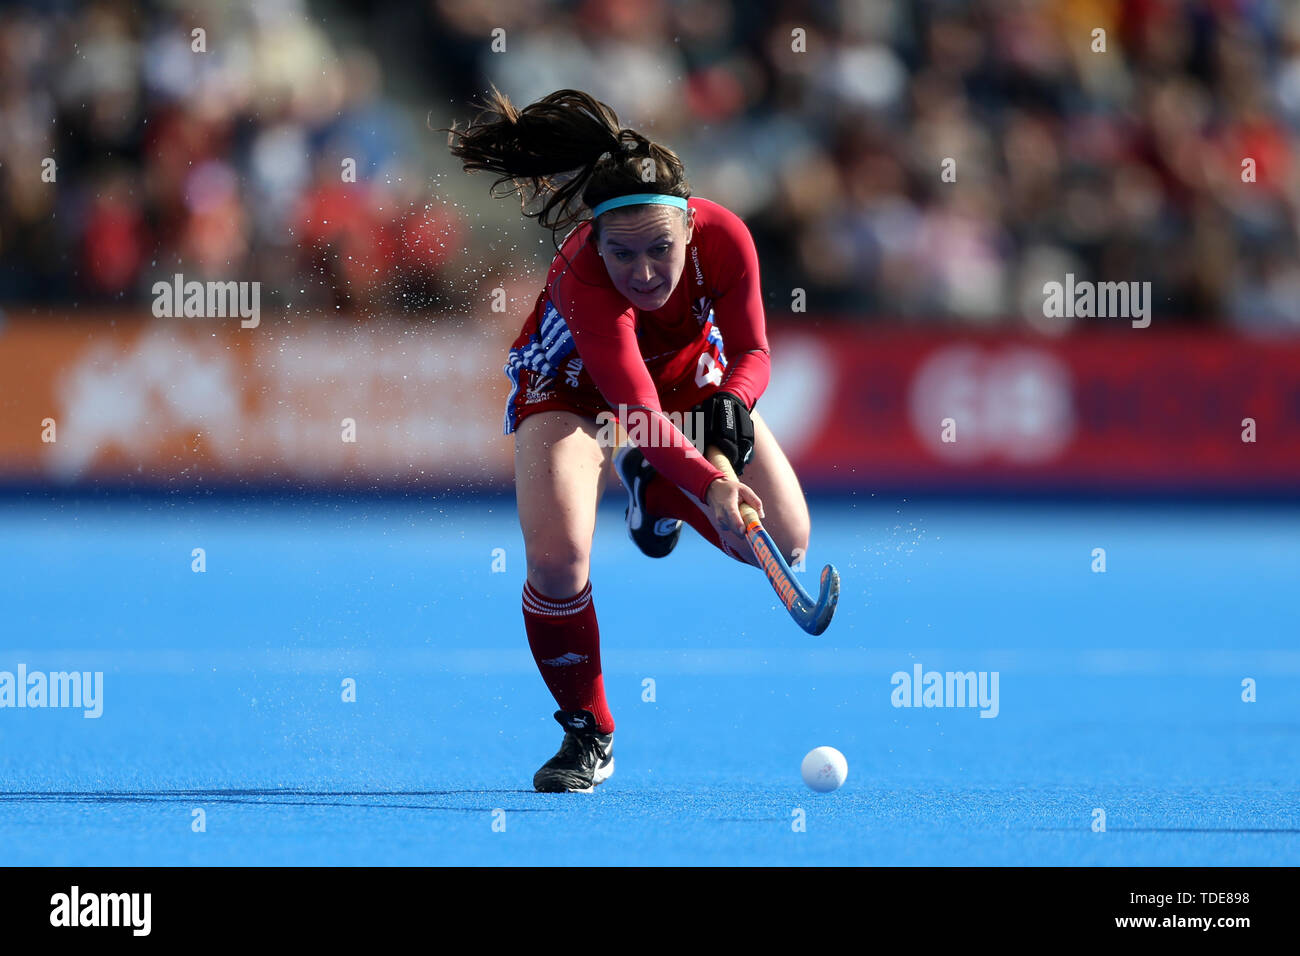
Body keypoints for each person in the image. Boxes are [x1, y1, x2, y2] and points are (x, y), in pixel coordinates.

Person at [445, 88, 812, 792]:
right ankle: (588, 731)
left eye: (660, 251)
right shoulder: (584, 274)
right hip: (575, 390)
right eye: (623, 253)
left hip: (687, 383)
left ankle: (656, 492)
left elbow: (755, 352)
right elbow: (634, 411)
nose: (643, 273)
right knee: (558, 560)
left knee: (783, 544)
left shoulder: (727, 236)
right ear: (597, 242)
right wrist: (712, 481)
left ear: (688, 228)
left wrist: (734, 402)